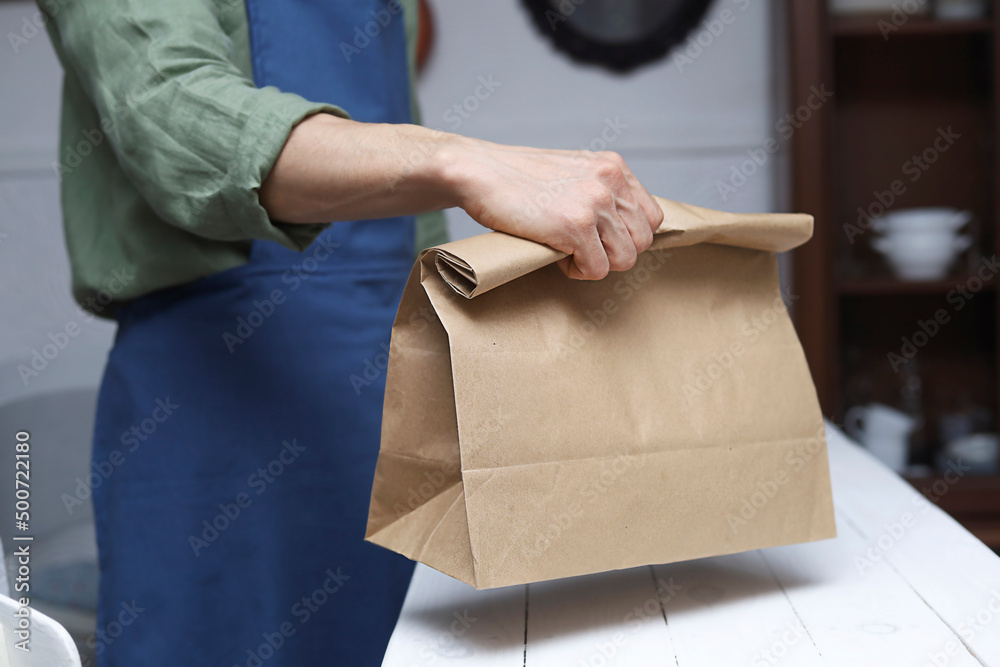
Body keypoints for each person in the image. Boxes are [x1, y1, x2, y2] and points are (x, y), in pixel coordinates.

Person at [41, 0, 663, 664]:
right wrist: (461, 160)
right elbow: (172, 112)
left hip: (388, 404)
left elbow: (406, 219)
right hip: (217, 419)